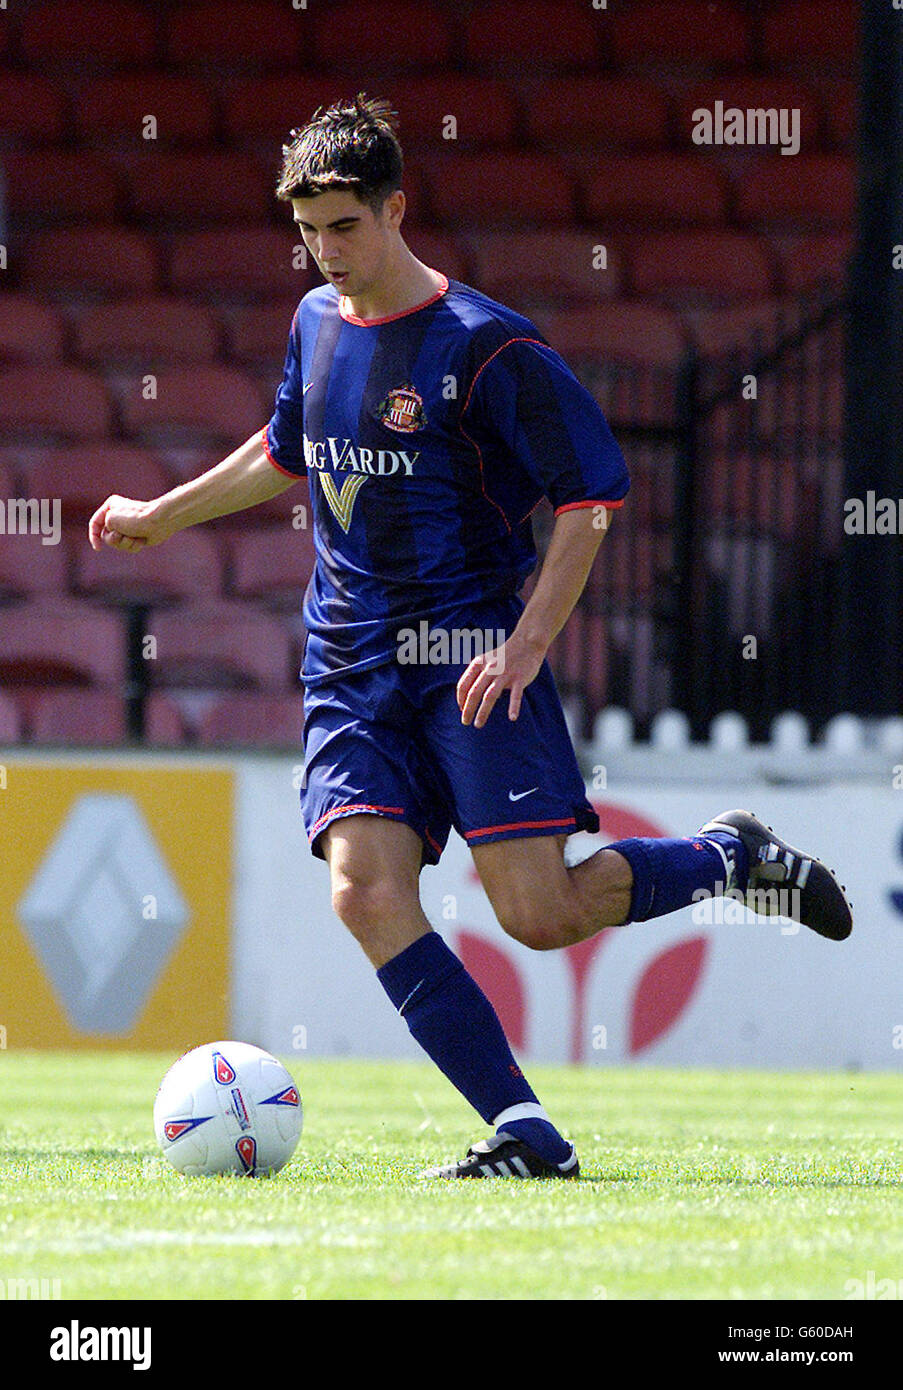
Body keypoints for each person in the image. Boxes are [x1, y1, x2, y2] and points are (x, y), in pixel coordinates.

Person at [88, 96, 853, 1181]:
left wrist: (529, 645)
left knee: (539, 914)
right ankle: (527, 1131)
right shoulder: (314, 322)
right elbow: (286, 448)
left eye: (344, 226)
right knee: (363, 888)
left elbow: (590, 500)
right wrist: (164, 514)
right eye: (307, 231)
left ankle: (729, 856)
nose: (325, 251)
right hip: (350, 662)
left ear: (396, 209)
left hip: (469, 660)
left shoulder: (489, 347)